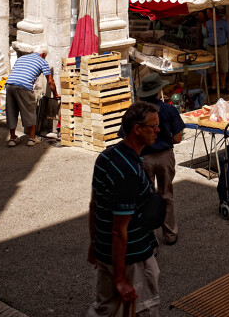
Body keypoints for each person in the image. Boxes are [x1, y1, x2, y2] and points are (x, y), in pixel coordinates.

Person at [87, 101, 162, 317]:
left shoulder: (106, 156)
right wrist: (121, 278)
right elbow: (119, 230)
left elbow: (95, 205)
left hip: (106, 253)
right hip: (132, 258)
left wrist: (95, 243)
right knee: (143, 309)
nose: (158, 131)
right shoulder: (128, 171)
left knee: (106, 309)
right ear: (137, 129)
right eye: (153, 126)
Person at [137, 73, 185, 247]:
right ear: (159, 91)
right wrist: (166, 140)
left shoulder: (136, 112)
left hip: (144, 158)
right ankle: (170, 234)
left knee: (146, 198)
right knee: (166, 195)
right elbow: (178, 138)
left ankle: (151, 240)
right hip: (165, 156)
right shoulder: (169, 109)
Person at [6, 46, 56, 147]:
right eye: (45, 56)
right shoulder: (42, 61)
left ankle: (12, 138)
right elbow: (50, 81)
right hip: (23, 86)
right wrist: (55, 94)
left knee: (11, 111)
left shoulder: (21, 58)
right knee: (30, 110)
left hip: (9, 84)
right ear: (43, 54)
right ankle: (32, 139)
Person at [202, 9, 229, 90]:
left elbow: (228, 35)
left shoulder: (224, 23)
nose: (207, 15)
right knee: (211, 68)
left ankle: (223, 86)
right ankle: (213, 86)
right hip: (211, 47)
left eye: (208, 13)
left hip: (222, 47)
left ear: (213, 13)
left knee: (223, 67)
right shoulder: (208, 23)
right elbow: (207, 34)